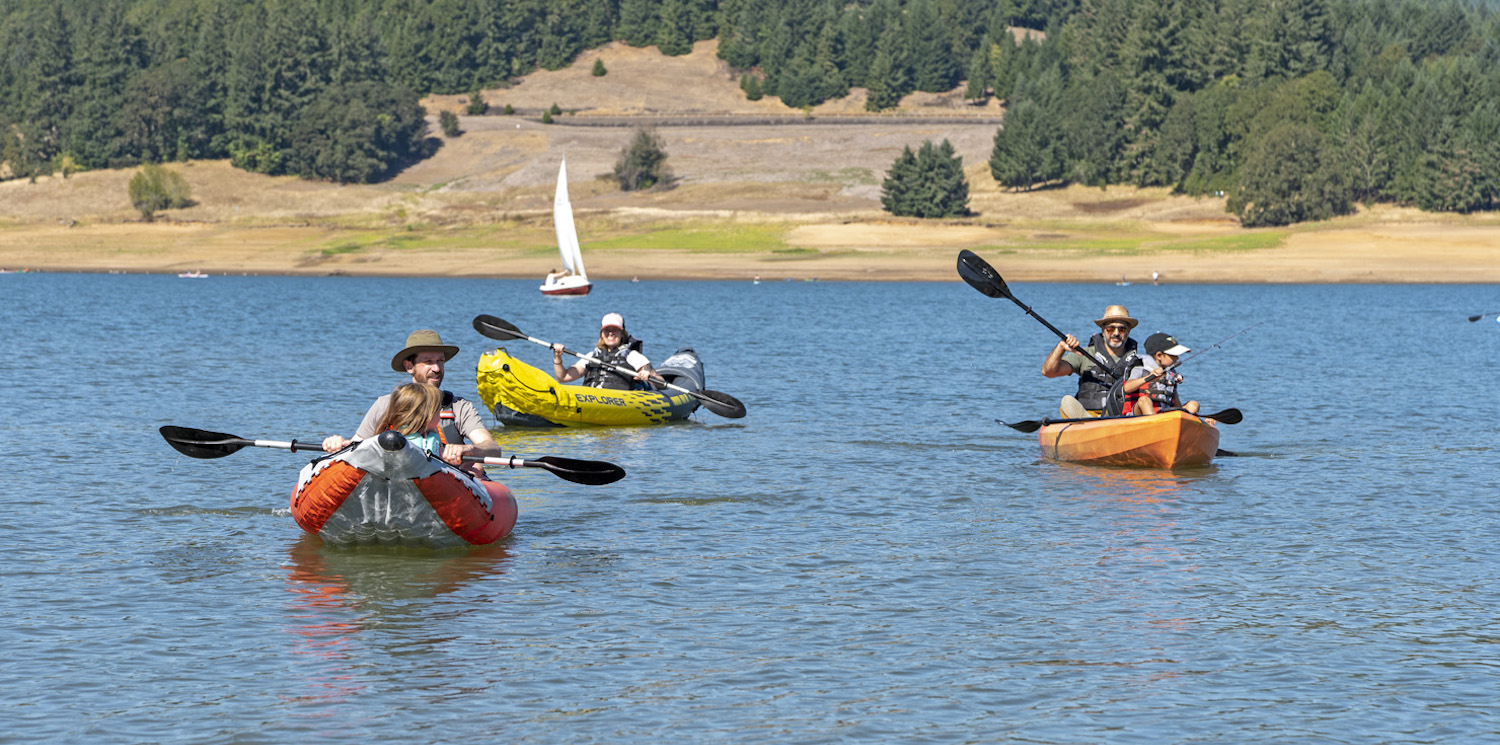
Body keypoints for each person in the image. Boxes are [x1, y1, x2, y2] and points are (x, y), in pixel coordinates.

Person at [323, 329, 502, 475]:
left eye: (440, 361)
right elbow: (357, 446)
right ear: (409, 366)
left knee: (476, 468)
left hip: (447, 485)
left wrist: (468, 450)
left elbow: (492, 448)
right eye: (428, 362)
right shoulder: (385, 404)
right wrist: (338, 443)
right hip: (394, 480)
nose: (437, 369)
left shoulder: (459, 406)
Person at [1041, 305, 1144, 416]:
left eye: (1122, 329)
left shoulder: (1138, 361)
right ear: (1103, 330)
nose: (1116, 333)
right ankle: (1085, 420)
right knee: (1067, 402)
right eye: (1110, 329)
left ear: (1129, 331)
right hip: (1090, 414)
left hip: (1122, 416)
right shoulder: (1084, 354)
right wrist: (1060, 348)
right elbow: (1049, 372)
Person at [552, 312, 656, 390]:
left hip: (619, 402)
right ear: (602, 333)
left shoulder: (633, 356)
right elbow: (563, 377)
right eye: (607, 330)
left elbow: (660, 381)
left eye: (614, 330)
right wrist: (558, 357)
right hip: (590, 399)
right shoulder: (591, 356)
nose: (610, 334)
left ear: (622, 333)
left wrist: (648, 375)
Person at [1124, 332, 1200, 416]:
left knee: (1193, 405)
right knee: (1144, 400)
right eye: (1173, 355)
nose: (1177, 358)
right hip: (1137, 415)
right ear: (1159, 355)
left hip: (1164, 416)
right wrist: (1149, 377)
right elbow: (1127, 388)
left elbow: (1177, 404)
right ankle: (1154, 422)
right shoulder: (1140, 369)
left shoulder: (1170, 376)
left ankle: (1190, 425)